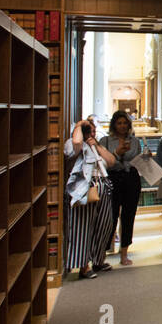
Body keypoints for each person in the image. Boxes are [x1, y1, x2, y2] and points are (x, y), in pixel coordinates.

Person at [63, 118, 116, 279]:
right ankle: (83, 265)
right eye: (88, 131)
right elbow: (77, 144)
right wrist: (80, 126)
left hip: (102, 186)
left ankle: (98, 260)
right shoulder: (71, 144)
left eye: (93, 131)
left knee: (105, 225)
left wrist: (97, 145)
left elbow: (111, 161)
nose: (91, 134)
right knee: (83, 228)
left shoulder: (97, 146)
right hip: (85, 188)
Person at [99, 110, 142, 267]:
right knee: (109, 216)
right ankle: (101, 254)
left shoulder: (135, 141)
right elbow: (104, 162)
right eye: (119, 123)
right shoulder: (105, 141)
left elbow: (137, 161)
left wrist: (145, 158)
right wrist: (117, 153)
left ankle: (124, 253)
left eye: (125, 123)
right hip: (113, 179)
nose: (122, 126)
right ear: (114, 124)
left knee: (129, 216)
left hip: (131, 178)